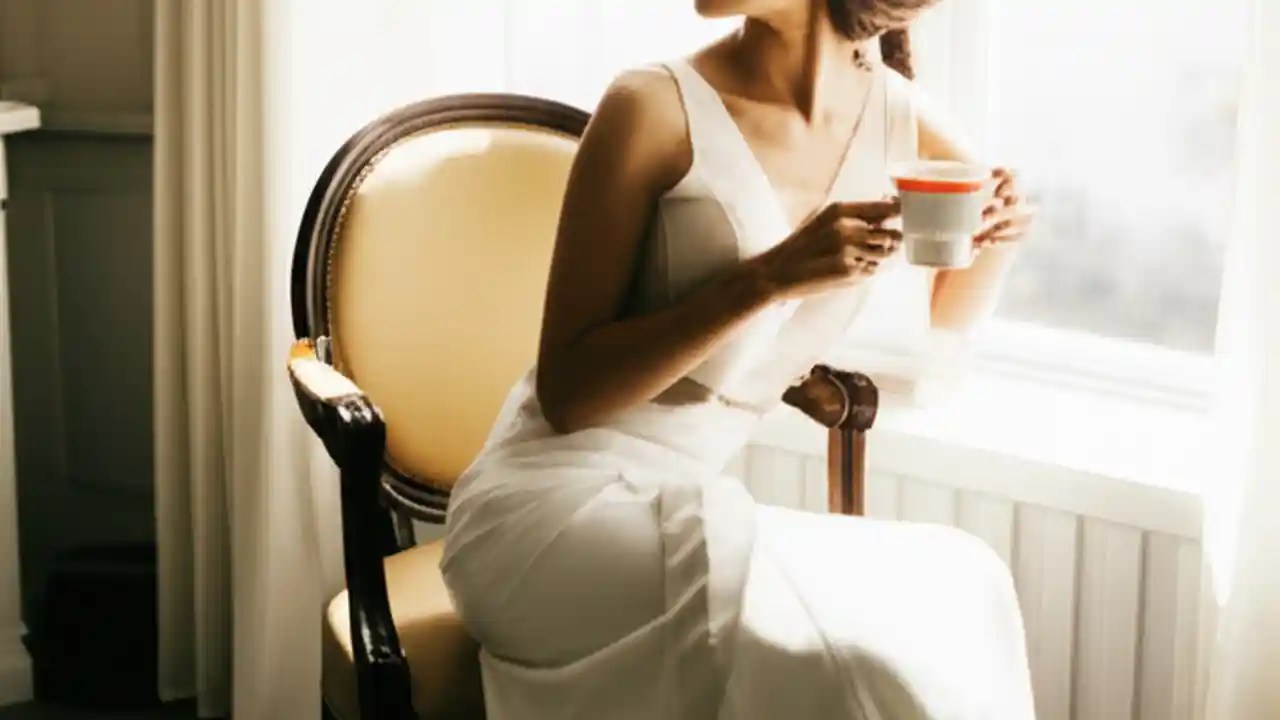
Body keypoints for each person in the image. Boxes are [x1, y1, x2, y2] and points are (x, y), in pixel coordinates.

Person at [441, 0, 1037, 717]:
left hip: (684, 504)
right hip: (547, 512)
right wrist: (769, 277)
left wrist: (998, 237)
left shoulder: (903, 125)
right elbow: (568, 395)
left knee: (967, 585)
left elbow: (937, 339)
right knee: (847, 670)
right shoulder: (652, 108)